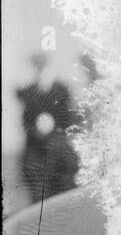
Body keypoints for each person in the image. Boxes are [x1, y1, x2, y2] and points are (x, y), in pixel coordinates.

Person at [15, 52, 81, 201]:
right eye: (36, 63)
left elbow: (68, 119)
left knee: (66, 194)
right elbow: (26, 122)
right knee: (39, 197)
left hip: (58, 149)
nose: (39, 66)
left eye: (42, 63)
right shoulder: (27, 92)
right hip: (36, 151)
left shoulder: (61, 89)